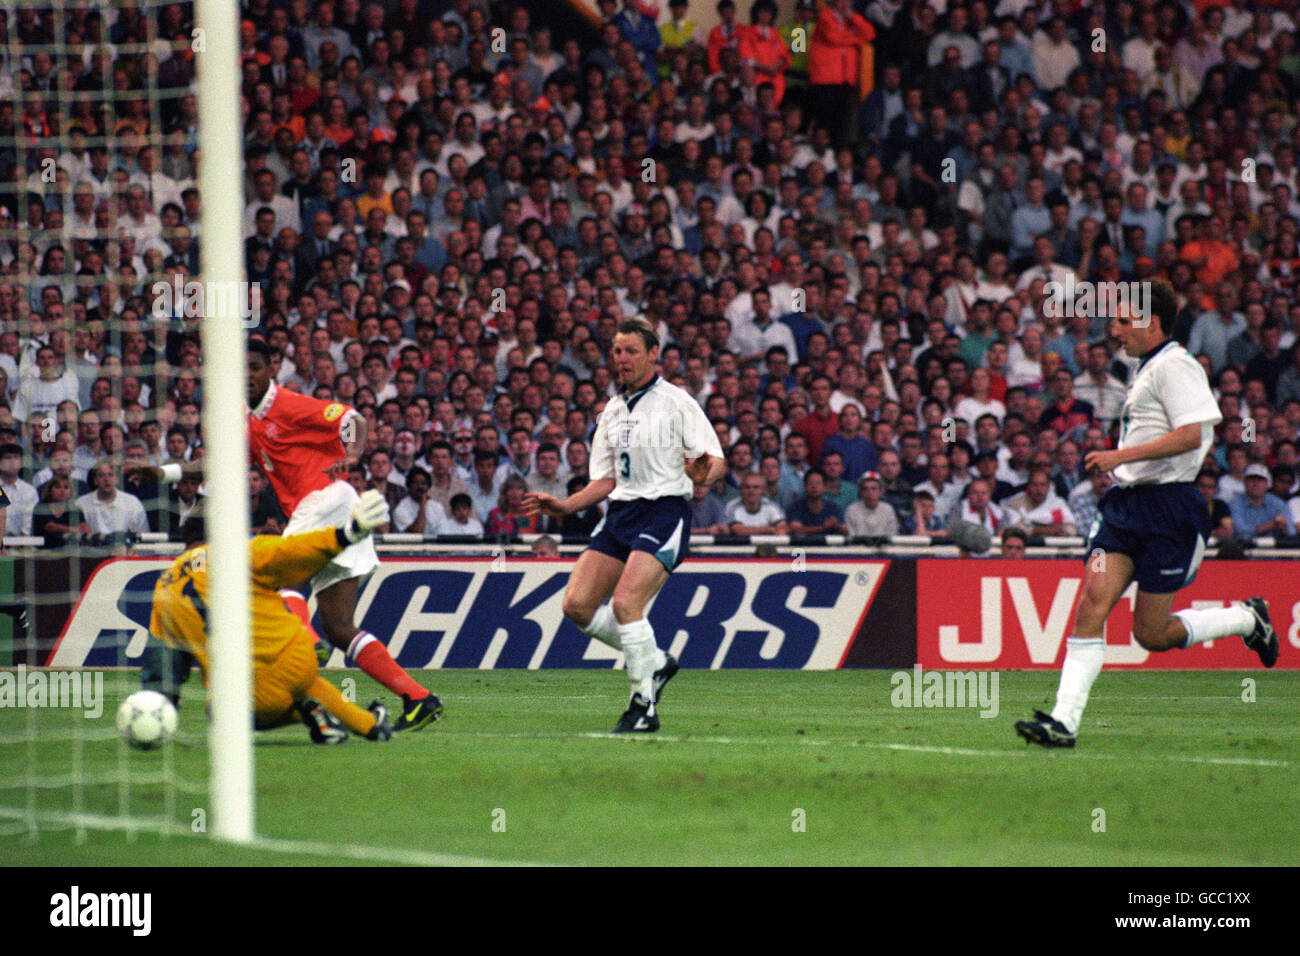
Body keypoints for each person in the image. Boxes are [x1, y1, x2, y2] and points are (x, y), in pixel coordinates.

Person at [1016, 283, 1278, 749]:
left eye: (1121, 320)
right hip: (1124, 509)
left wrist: (1120, 456)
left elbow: (1194, 435)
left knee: (1151, 635)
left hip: (1169, 510)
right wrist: (1125, 465)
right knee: (1091, 604)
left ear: (1150, 321)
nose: (1113, 330)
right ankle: (1063, 722)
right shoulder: (1146, 369)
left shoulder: (1175, 365)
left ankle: (1246, 619)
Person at [141, 339, 441, 732]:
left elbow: (353, 418)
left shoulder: (288, 403)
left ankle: (304, 640)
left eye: (255, 367)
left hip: (325, 499)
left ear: (272, 370)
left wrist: (351, 455)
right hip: (328, 513)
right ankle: (418, 697)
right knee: (338, 627)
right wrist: (164, 473)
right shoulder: (249, 423)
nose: (246, 375)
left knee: (281, 576)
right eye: (240, 368)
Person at [524, 318, 726, 733]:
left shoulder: (677, 402)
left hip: (664, 511)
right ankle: (655, 660)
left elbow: (715, 462)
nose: (622, 358)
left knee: (625, 604)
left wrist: (702, 474)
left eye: (631, 350)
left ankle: (643, 707)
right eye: (617, 351)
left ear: (653, 354)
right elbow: (605, 480)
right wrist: (563, 505)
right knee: (576, 606)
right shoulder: (612, 412)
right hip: (621, 515)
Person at [149, 492, 394, 744]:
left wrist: (161, 700)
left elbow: (165, 658)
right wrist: (344, 535)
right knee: (307, 686)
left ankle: (308, 714)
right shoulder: (237, 553)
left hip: (250, 688)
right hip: (295, 655)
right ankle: (370, 725)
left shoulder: (165, 585)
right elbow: (292, 549)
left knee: (217, 710)